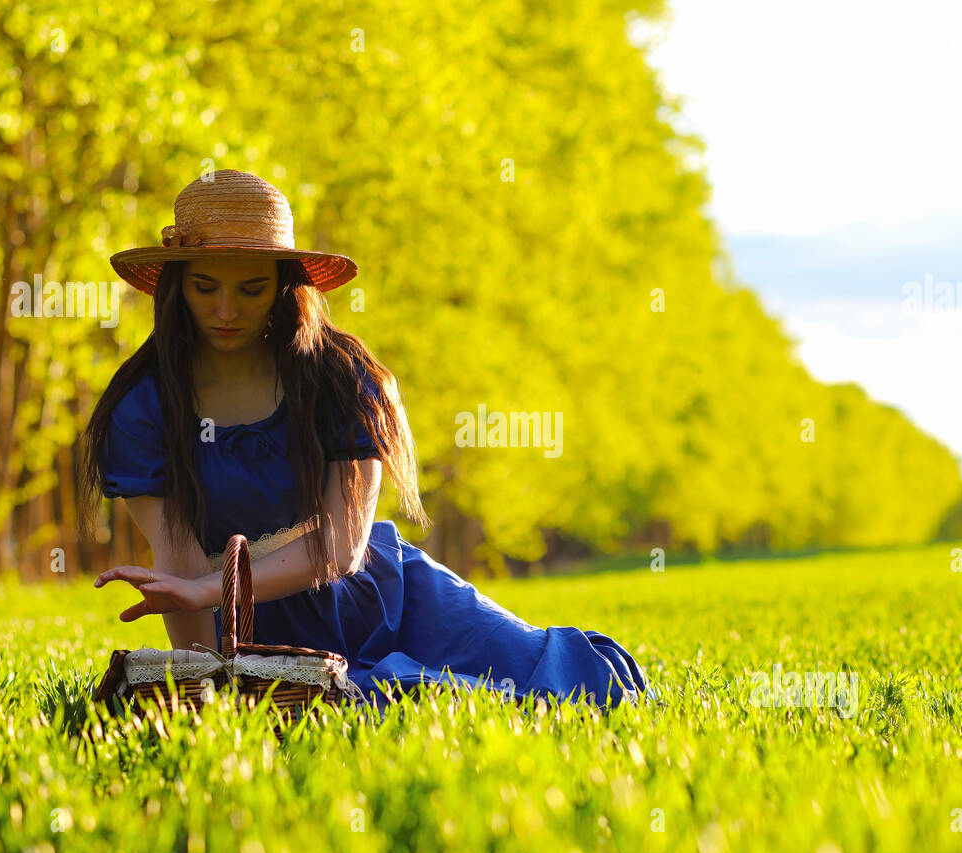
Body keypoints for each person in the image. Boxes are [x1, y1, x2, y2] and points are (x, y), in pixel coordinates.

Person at [77, 169, 647, 709]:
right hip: (257, 626)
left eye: (251, 290)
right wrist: (204, 674)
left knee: (577, 687)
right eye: (205, 288)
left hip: (388, 593)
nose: (226, 311)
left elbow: (342, 546)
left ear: (285, 286)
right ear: (177, 288)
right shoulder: (144, 406)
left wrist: (206, 589)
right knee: (387, 699)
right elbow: (177, 559)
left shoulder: (344, 378)